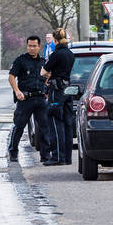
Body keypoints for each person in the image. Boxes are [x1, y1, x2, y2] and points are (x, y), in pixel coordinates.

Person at [7, 35, 50, 163]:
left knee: (44, 127)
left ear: (39, 47)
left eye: (34, 46)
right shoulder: (21, 60)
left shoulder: (43, 62)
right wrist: (17, 91)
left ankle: (45, 155)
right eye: (29, 46)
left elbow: (49, 75)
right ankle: (13, 151)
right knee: (19, 126)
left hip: (40, 99)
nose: (31, 48)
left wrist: (47, 88)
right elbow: (11, 76)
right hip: (25, 99)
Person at [41, 27, 76, 167]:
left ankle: (57, 157)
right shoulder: (70, 54)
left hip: (57, 90)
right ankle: (67, 157)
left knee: (55, 122)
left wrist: (49, 75)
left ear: (54, 40)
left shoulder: (56, 54)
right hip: (68, 90)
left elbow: (43, 71)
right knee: (67, 124)